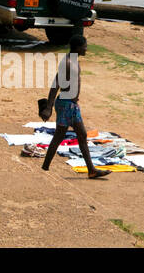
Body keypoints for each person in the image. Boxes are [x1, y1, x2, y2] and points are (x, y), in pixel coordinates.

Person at [41, 36, 110, 180]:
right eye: (85, 46)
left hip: (71, 104)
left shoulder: (73, 60)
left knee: (81, 135)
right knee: (60, 136)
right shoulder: (66, 63)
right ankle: (45, 167)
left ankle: (91, 170)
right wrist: (48, 107)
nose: (86, 48)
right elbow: (55, 85)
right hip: (66, 104)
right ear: (78, 47)